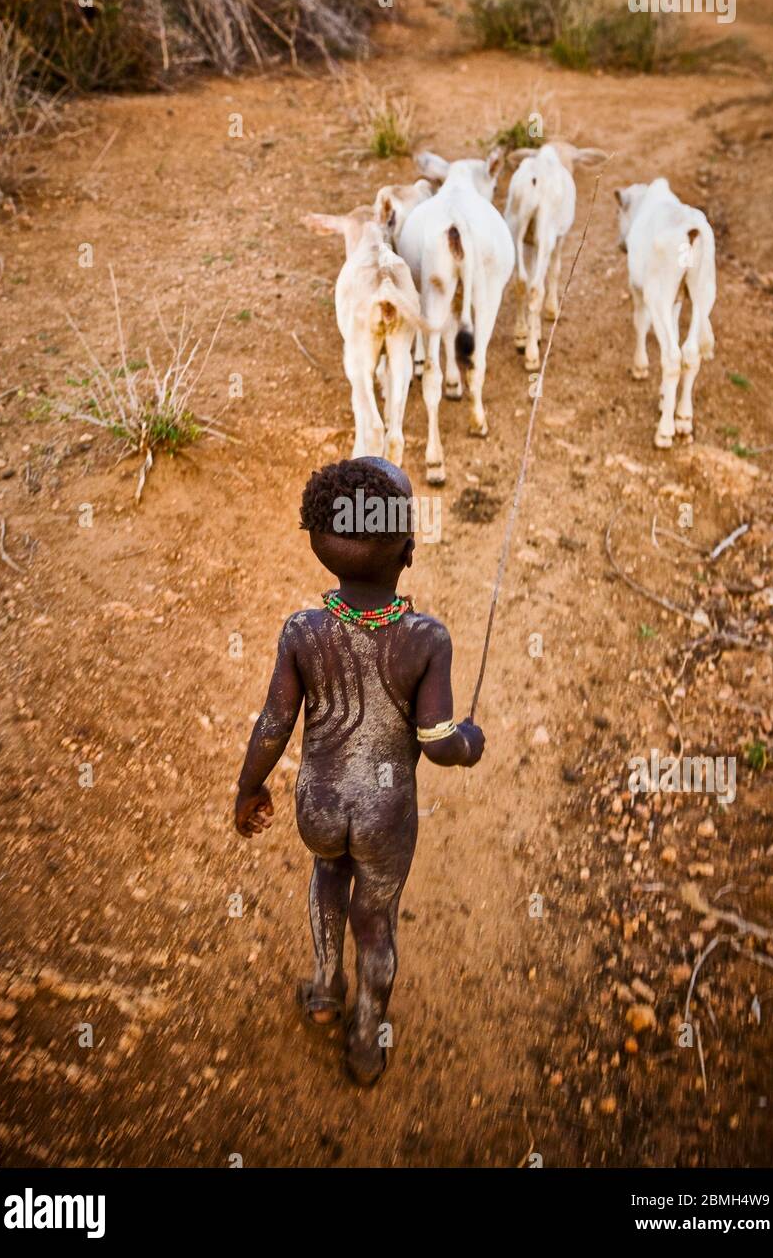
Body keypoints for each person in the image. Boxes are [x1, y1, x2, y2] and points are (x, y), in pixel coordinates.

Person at [234, 456, 485, 1085]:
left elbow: (272, 725)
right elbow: (436, 740)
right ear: (407, 553)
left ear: (321, 547)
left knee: (326, 873)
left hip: (318, 807)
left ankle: (324, 987)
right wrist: (470, 743)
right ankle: (368, 1036)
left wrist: (249, 786)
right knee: (376, 916)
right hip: (384, 818)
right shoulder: (426, 639)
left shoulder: (303, 631)